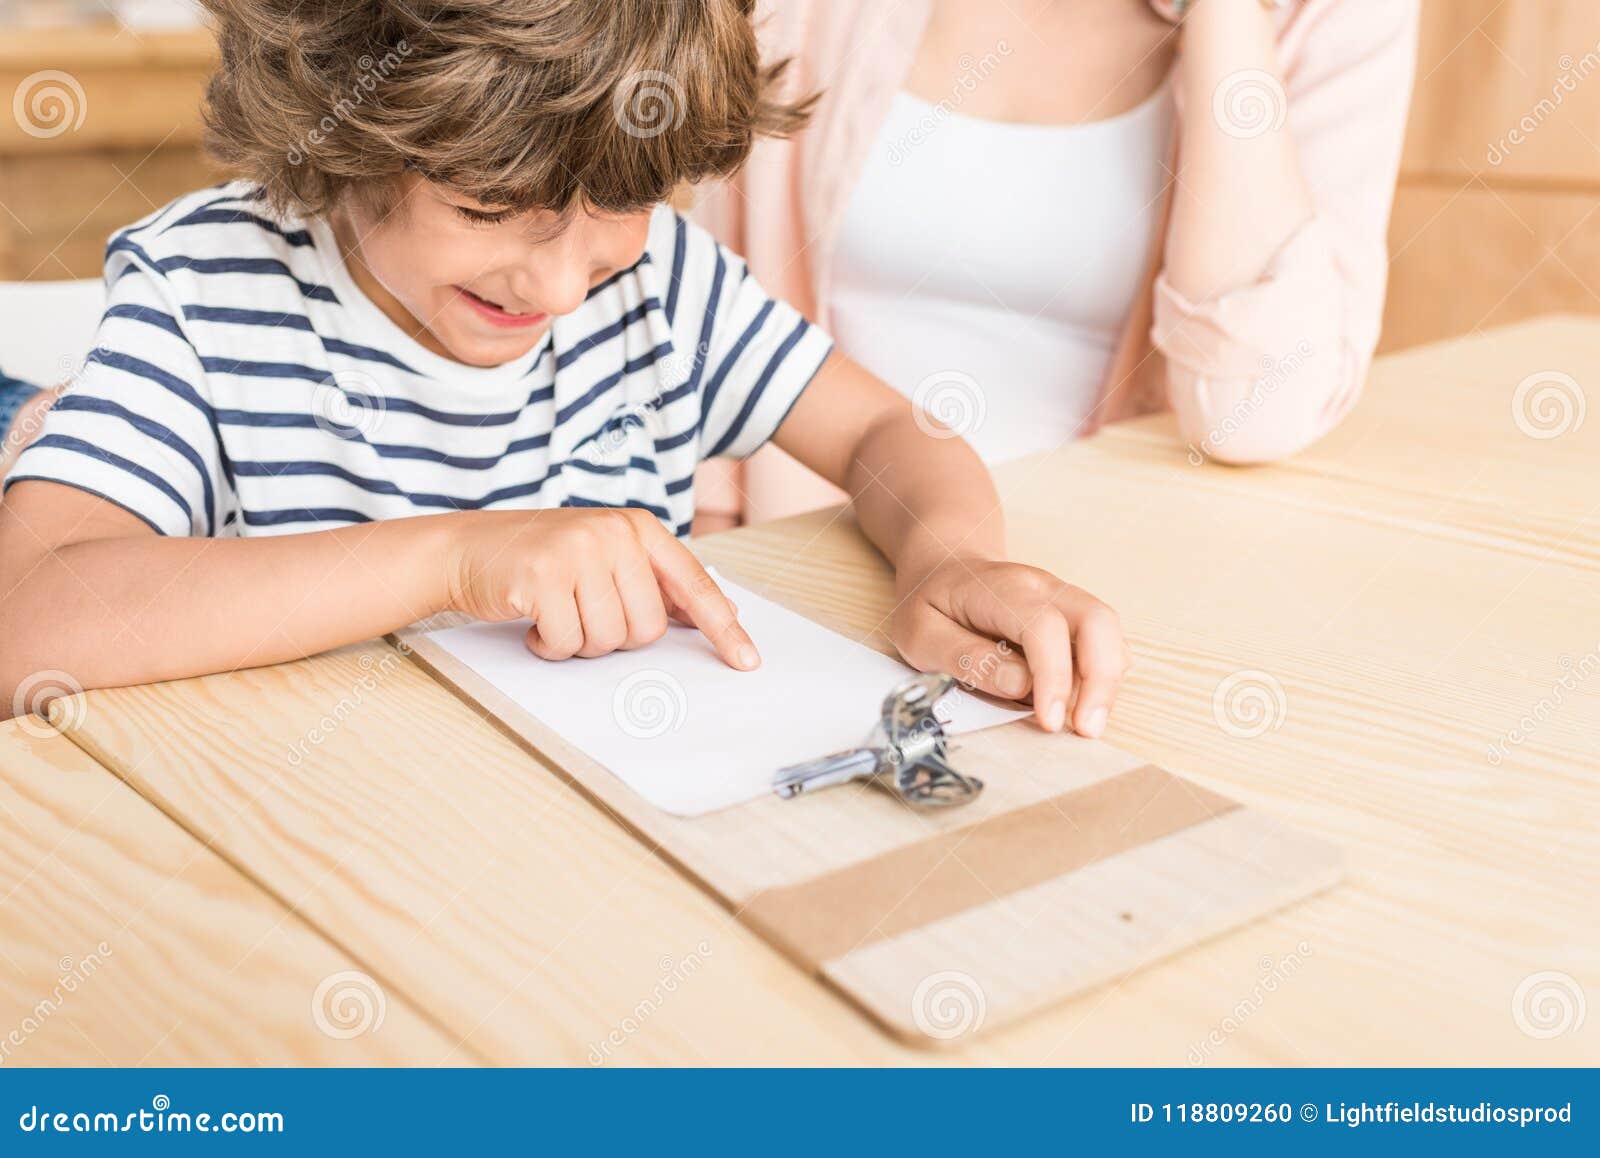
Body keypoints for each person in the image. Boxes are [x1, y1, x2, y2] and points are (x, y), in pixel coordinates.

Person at [0, 0, 1127, 737]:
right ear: (344, 130)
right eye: (494, 207)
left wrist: (947, 557)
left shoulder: (656, 283)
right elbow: (31, 621)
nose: (556, 286)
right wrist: (457, 558)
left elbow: (890, 439)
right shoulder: (205, 291)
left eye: (623, 205)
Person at [692, 0, 1418, 527]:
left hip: (1113, 581)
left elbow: (1250, 415)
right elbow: (701, 296)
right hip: (808, 558)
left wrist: (1227, 17)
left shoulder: (1338, 14)